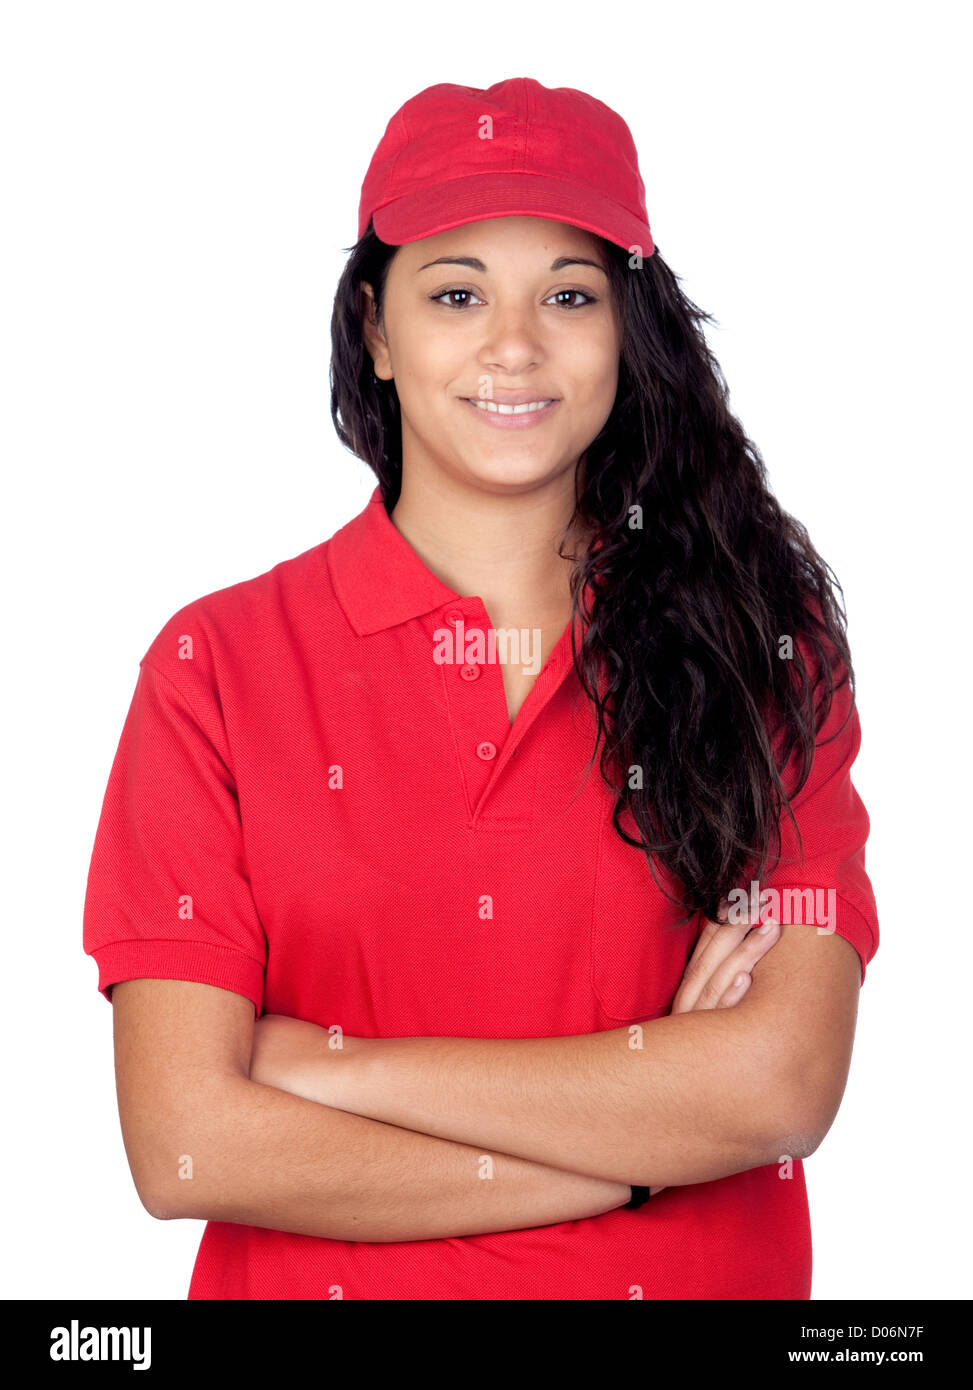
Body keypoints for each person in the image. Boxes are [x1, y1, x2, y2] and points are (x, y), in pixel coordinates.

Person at [83, 77, 879, 1300]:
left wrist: (330, 1069)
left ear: (629, 329)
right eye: (456, 294)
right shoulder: (214, 668)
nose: (514, 346)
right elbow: (189, 1143)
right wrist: (638, 1156)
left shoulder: (759, 645)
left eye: (569, 294)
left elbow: (776, 1087)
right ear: (376, 329)